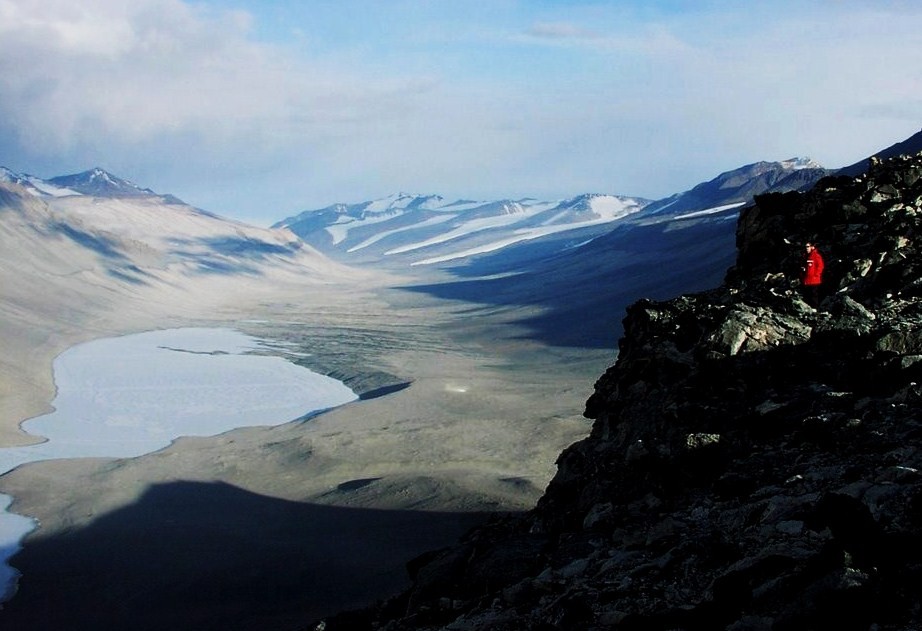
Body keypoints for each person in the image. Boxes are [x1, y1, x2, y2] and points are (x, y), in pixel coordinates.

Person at [801, 242, 824, 307]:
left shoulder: (816, 256)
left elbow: (820, 266)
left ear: (812, 247)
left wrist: (816, 275)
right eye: (805, 247)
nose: (806, 248)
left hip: (814, 280)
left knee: (814, 294)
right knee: (807, 294)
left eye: (808, 247)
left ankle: (815, 308)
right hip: (806, 279)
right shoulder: (805, 256)